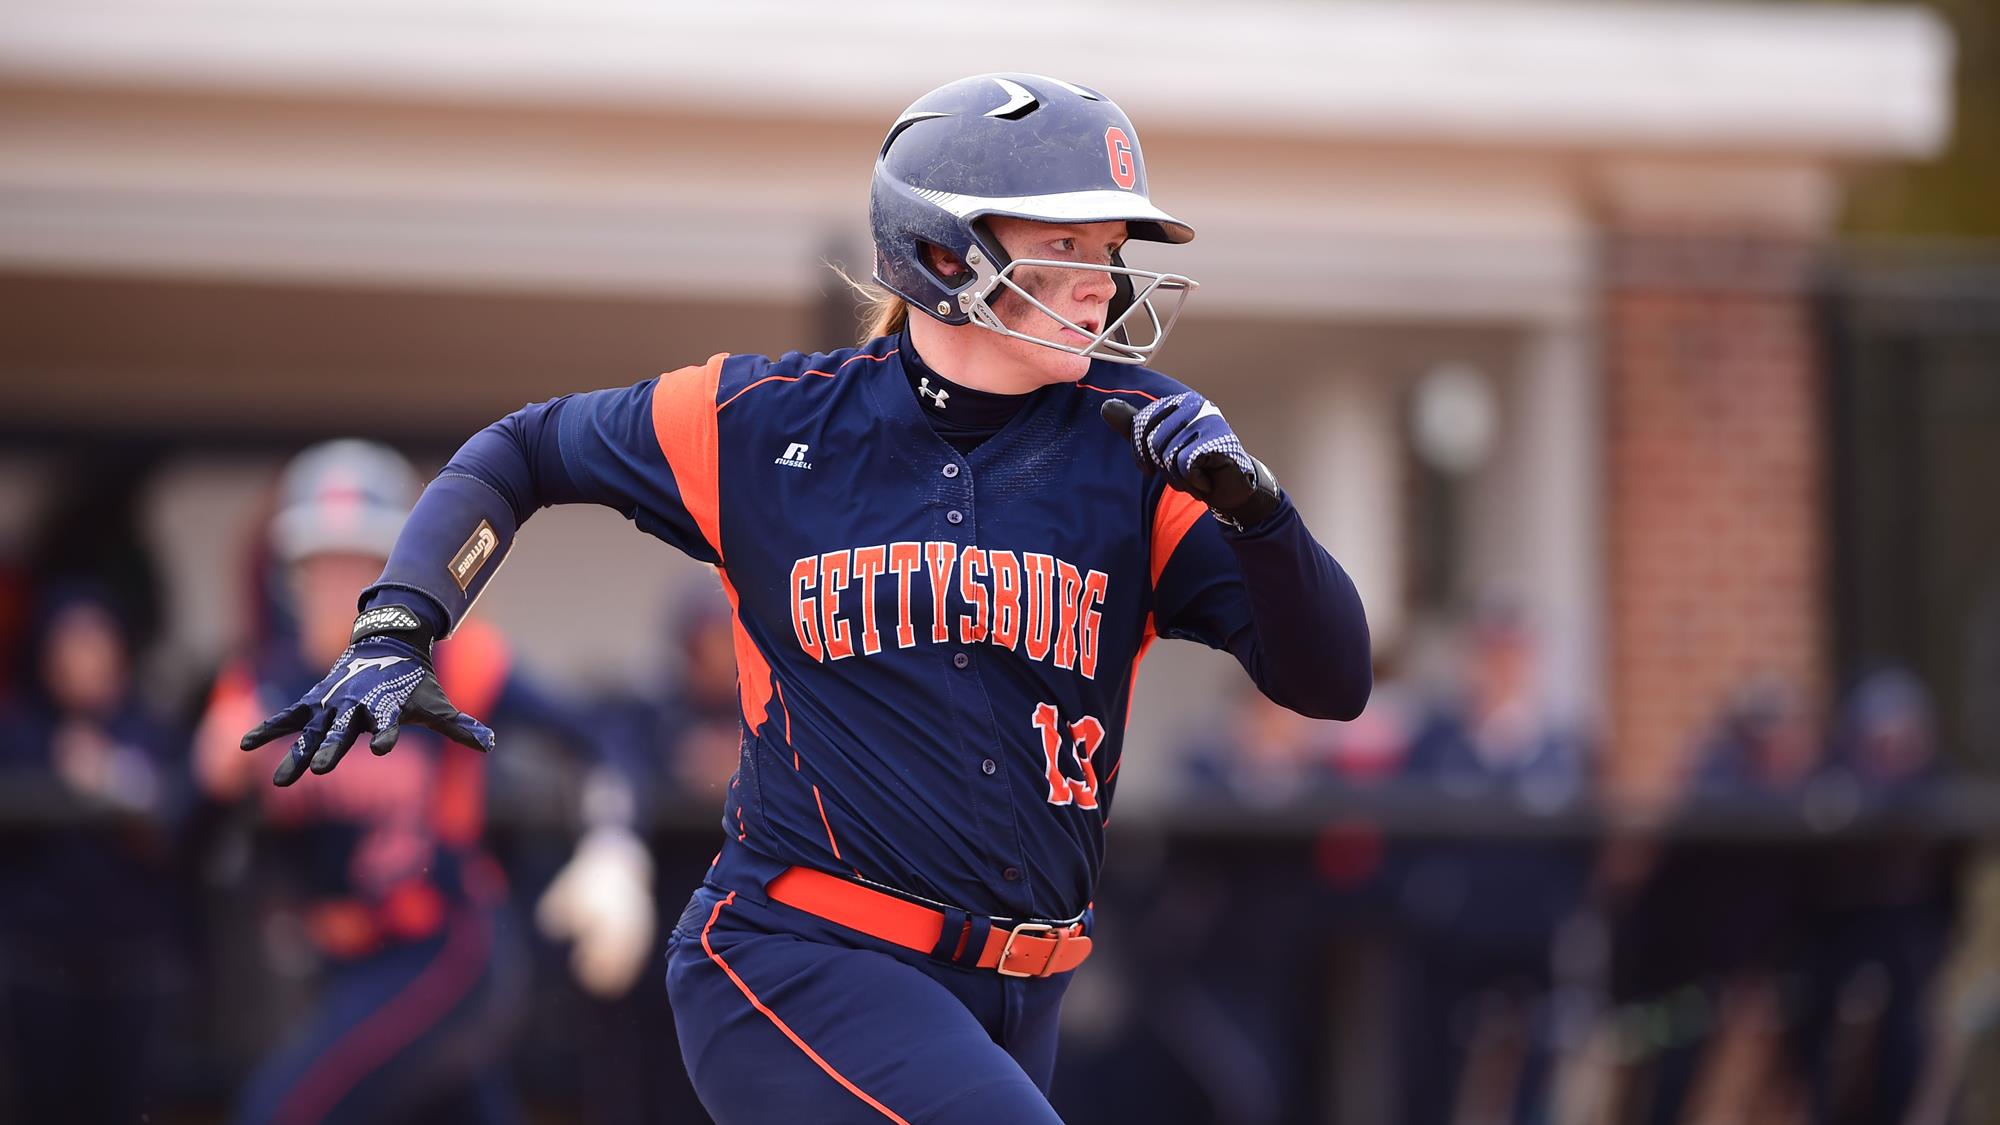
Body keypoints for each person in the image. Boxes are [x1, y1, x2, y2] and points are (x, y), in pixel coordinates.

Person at [238, 73, 1372, 1123]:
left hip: (1023, 994)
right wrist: (396, 624)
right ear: (941, 253)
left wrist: (1259, 519)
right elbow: (516, 452)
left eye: (1109, 244)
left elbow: (1330, 683)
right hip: (798, 957)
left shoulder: (1138, 441)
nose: (1098, 275)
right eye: (1064, 239)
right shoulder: (768, 424)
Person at [198, 440, 652, 1124]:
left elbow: (606, 741)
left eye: (364, 562)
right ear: (292, 574)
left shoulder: (454, 661)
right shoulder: (260, 685)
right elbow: (186, 838)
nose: (340, 586)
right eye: (323, 563)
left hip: (447, 949)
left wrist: (615, 848)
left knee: (278, 1111)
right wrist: (206, 780)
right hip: (339, 963)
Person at [0, 583, 188, 1124]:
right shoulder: (18, 732)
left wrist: (113, 779)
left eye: (94, 640)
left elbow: (180, 823)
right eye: (69, 642)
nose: (83, 657)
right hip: (38, 967)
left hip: (133, 966)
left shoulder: (151, 729)